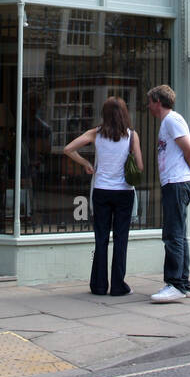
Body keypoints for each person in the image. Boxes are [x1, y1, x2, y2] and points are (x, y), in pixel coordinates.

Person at [63, 97, 143, 296]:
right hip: (124, 192)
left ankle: (98, 286)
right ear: (125, 114)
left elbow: (68, 149)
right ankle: (118, 286)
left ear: (104, 114)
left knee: (101, 238)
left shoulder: (95, 133)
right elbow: (140, 167)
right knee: (121, 238)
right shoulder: (132, 136)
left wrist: (85, 163)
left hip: (101, 191)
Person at [146, 85, 190, 303]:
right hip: (176, 183)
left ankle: (175, 284)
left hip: (177, 183)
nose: (148, 106)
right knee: (179, 235)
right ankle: (183, 284)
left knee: (172, 235)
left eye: (150, 101)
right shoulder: (168, 122)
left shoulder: (171, 120)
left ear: (158, 101)